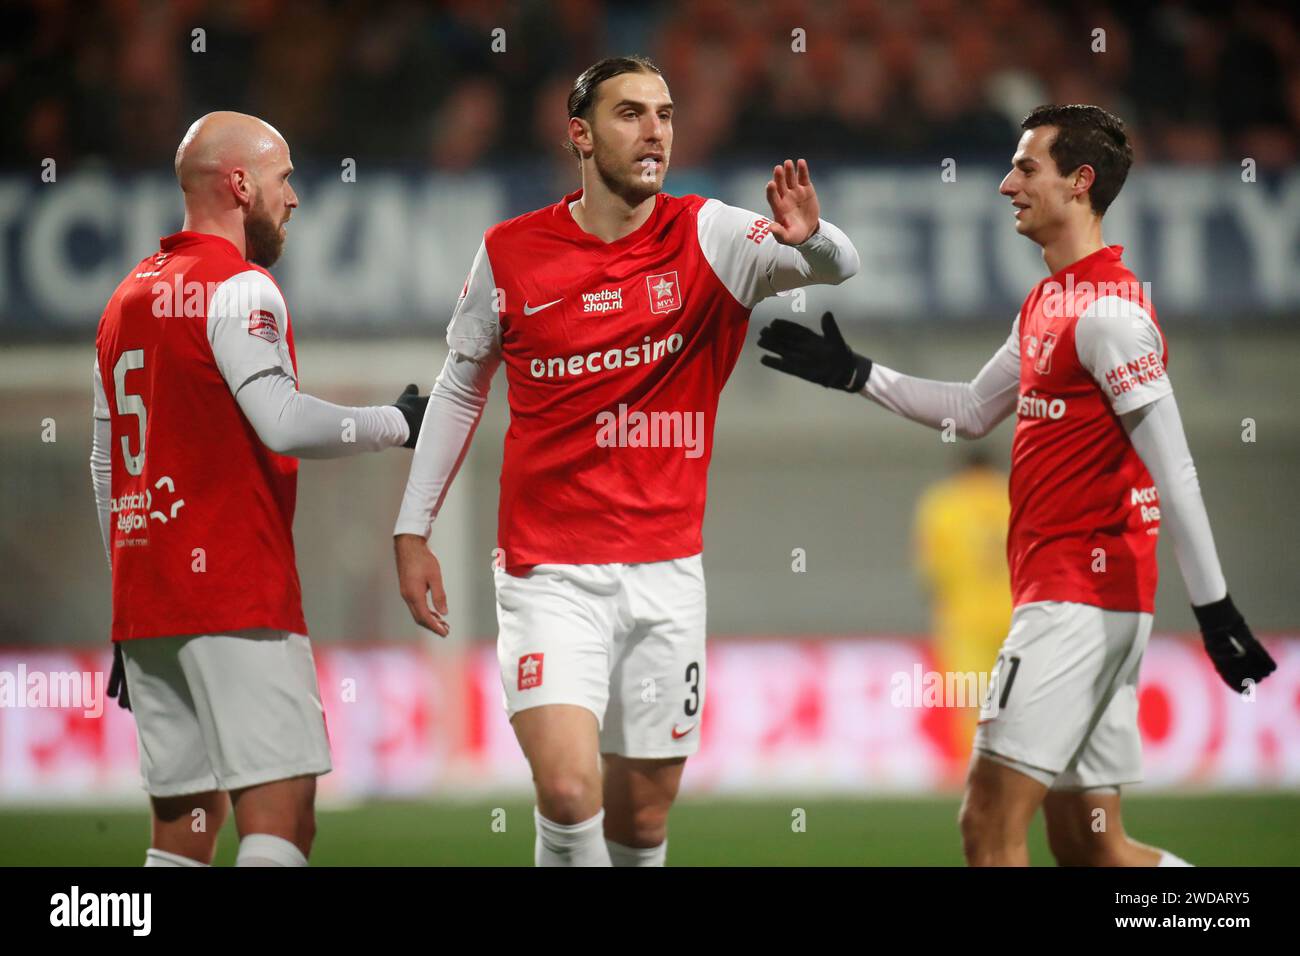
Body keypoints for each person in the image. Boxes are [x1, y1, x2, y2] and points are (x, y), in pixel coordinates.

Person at [757, 104, 1275, 866]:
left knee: (987, 826)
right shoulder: (1049, 302)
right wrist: (858, 374)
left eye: (1027, 167)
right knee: (1094, 849)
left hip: (1075, 602)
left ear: (1080, 183)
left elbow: (1176, 469)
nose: (1006, 185)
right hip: (1089, 604)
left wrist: (1216, 610)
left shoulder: (1108, 317)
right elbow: (970, 412)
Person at [393, 56, 859, 867]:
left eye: (666, 115)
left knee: (641, 821)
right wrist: (412, 528)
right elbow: (461, 388)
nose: (655, 133)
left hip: (668, 572)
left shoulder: (711, 233)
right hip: (548, 574)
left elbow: (836, 266)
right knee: (571, 793)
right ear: (580, 134)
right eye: (631, 114)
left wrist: (809, 238)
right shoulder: (509, 253)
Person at [91, 111, 428, 867]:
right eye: (284, 179)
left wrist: (125, 597)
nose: (295, 199)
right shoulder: (242, 288)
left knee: (183, 830)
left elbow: (103, 462)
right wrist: (399, 424)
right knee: (282, 821)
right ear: (240, 185)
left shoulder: (123, 300)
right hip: (235, 593)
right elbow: (282, 421)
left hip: (148, 602)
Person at [913, 449, 1012, 767]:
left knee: (973, 702)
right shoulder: (1015, 495)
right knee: (1021, 700)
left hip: (964, 619)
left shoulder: (943, 504)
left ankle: (979, 774)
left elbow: (931, 571)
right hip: (1020, 614)